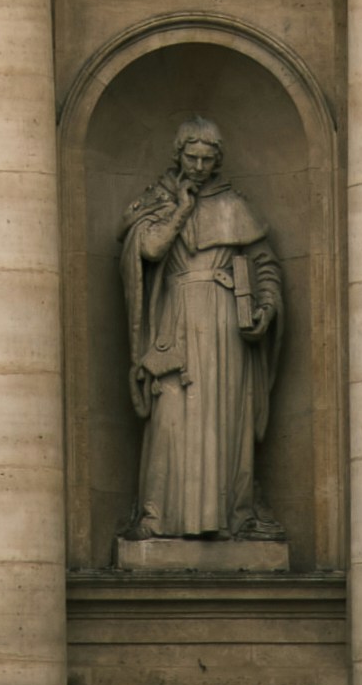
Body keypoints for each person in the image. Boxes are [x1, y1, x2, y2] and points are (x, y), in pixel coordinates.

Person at [119, 121, 281, 542]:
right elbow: (149, 248)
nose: (199, 166)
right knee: (170, 416)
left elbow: (265, 265)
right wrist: (181, 211)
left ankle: (230, 514)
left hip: (227, 323)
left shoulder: (235, 205)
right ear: (178, 155)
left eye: (208, 159)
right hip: (175, 324)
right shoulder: (158, 202)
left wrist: (265, 306)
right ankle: (158, 516)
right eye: (192, 157)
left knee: (225, 416)